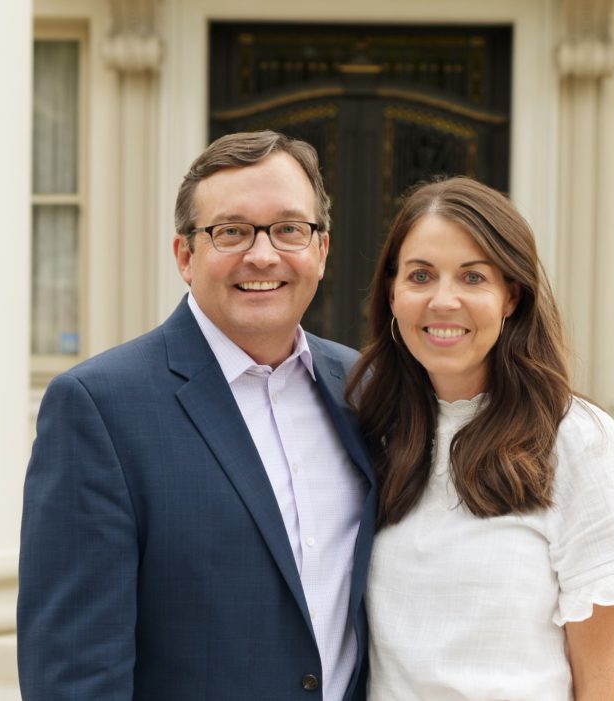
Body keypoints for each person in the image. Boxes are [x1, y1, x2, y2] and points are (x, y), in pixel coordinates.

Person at [18, 131, 375, 701]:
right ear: (185, 255)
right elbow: (74, 671)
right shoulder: (98, 408)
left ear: (321, 250)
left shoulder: (364, 389)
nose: (263, 255)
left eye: (289, 229)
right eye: (231, 231)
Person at [347, 177, 614, 700]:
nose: (443, 300)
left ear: (510, 296)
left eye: (473, 276)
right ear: (393, 294)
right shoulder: (371, 429)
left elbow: (603, 686)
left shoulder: (574, 438)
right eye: (420, 275)